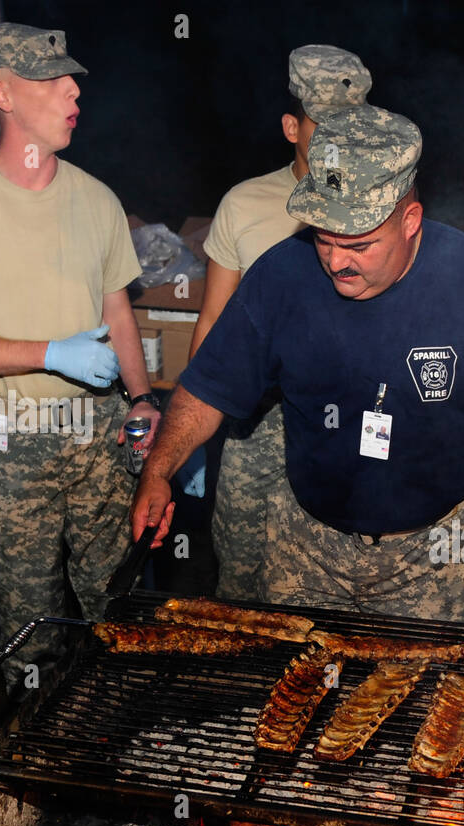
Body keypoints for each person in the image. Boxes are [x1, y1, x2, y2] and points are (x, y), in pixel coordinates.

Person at [133, 105, 464, 622]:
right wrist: (159, 470)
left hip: (440, 552)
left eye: (359, 245)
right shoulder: (281, 277)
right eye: (324, 237)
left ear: (410, 222)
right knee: (293, 693)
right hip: (306, 546)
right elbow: (206, 388)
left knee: (429, 699)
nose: (337, 261)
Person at [0, 23, 158, 685]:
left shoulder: (96, 198)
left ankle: (115, 722)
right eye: (51, 79)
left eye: (72, 76)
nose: (74, 88)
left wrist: (141, 401)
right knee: (26, 606)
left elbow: (117, 311)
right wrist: (50, 352)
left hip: (102, 429)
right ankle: (34, 752)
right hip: (11, 434)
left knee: (116, 594)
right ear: (3, 93)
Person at [194, 44, 372, 601]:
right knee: (242, 585)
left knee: (331, 586)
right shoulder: (245, 204)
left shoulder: (378, 205)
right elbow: (214, 324)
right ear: (292, 126)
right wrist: (196, 431)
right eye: (324, 126)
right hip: (256, 423)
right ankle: (244, 688)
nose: (339, 140)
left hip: (344, 420)